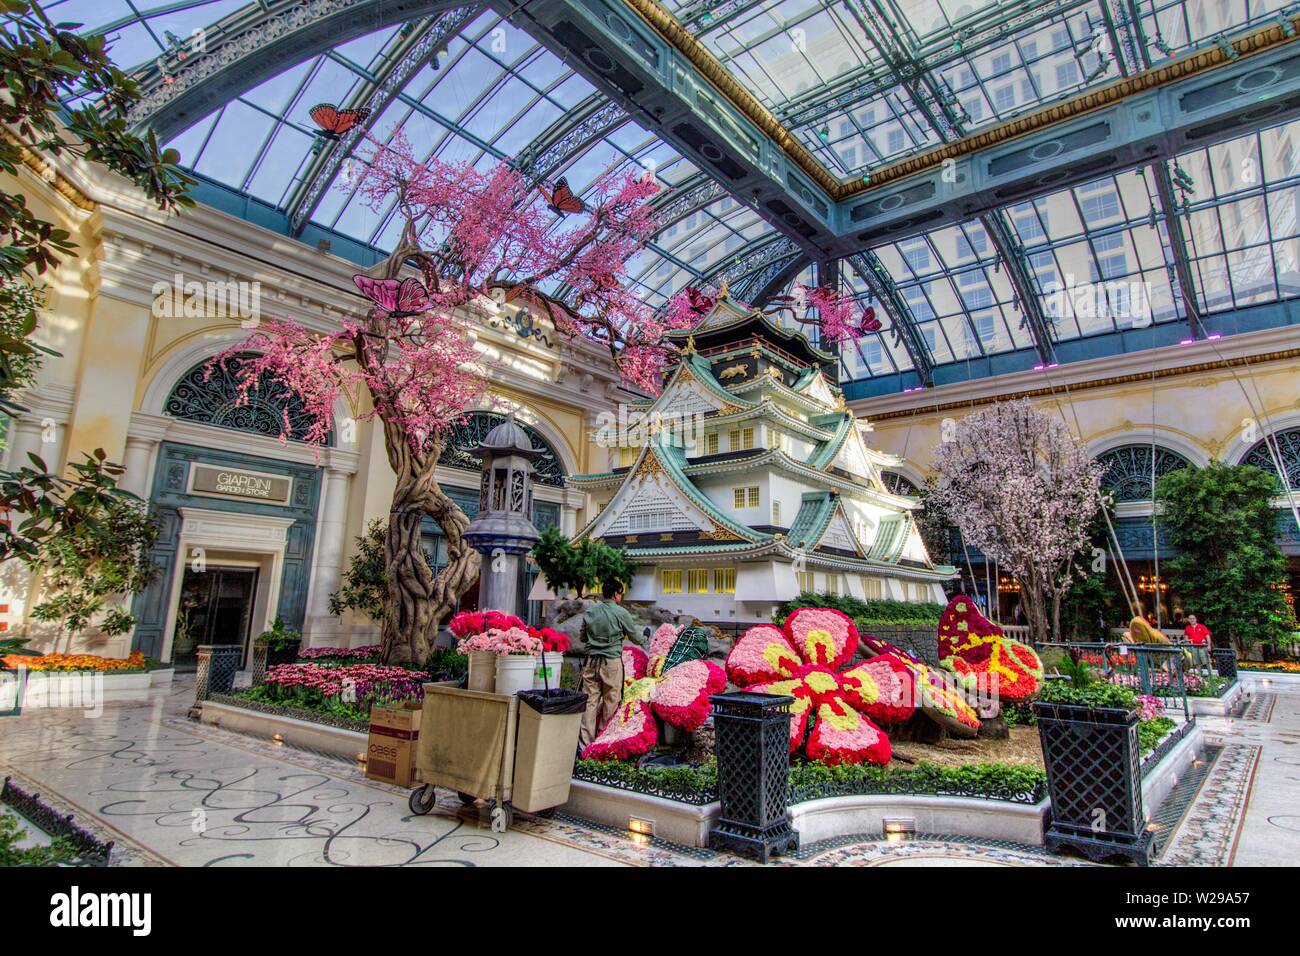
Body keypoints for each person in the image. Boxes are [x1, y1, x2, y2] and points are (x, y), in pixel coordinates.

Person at [578, 579, 638, 750]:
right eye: (620, 593)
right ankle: (603, 744)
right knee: (611, 702)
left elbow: (582, 637)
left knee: (590, 702)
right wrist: (645, 638)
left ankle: (584, 746)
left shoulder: (590, 611)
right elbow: (636, 637)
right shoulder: (621, 613)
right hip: (611, 662)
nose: (621, 596)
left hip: (591, 662)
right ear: (615, 593)